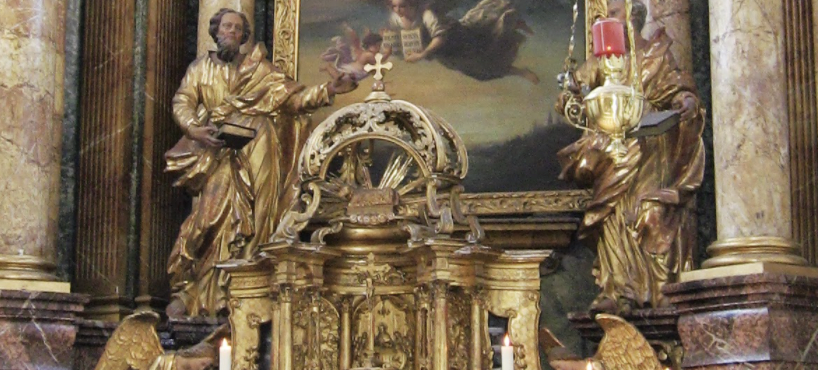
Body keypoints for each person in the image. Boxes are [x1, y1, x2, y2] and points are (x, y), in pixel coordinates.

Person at [165, 9, 358, 317]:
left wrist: (329, 90)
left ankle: (247, 286)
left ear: (244, 36)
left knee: (258, 215)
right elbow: (182, 101)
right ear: (215, 32)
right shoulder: (200, 69)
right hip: (217, 153)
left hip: (259, 150)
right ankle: (199, 292)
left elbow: (294, 100)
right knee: (209, 220)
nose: (231, 31)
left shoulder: (261, 71)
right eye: (226, 26)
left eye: (237, 28)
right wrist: (193, 128)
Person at [557, 0, 704, 310]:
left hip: (652, 153)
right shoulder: (602, 62)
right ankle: (617, 289)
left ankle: (660, 289)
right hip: (612, 154)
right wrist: (570, 93)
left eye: (612, 14)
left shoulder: (657, 56)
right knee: (610, 216)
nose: (606, 20)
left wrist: (686, 102)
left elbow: (679, 89)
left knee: (649, 214)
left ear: (632, 16)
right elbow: (575, 89)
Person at [386, 0, 540, 85]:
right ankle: (520, 70)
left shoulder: (426, 14)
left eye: (402, 6)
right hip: (447, 56)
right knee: (481, 72)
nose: (398, 10)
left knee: (489, 48)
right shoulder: (396, 19)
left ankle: (509, 21)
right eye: (395, 7)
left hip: (458, 40)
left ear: (412, 5)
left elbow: (440, 37)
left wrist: (422, 55)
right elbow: (399, 42)